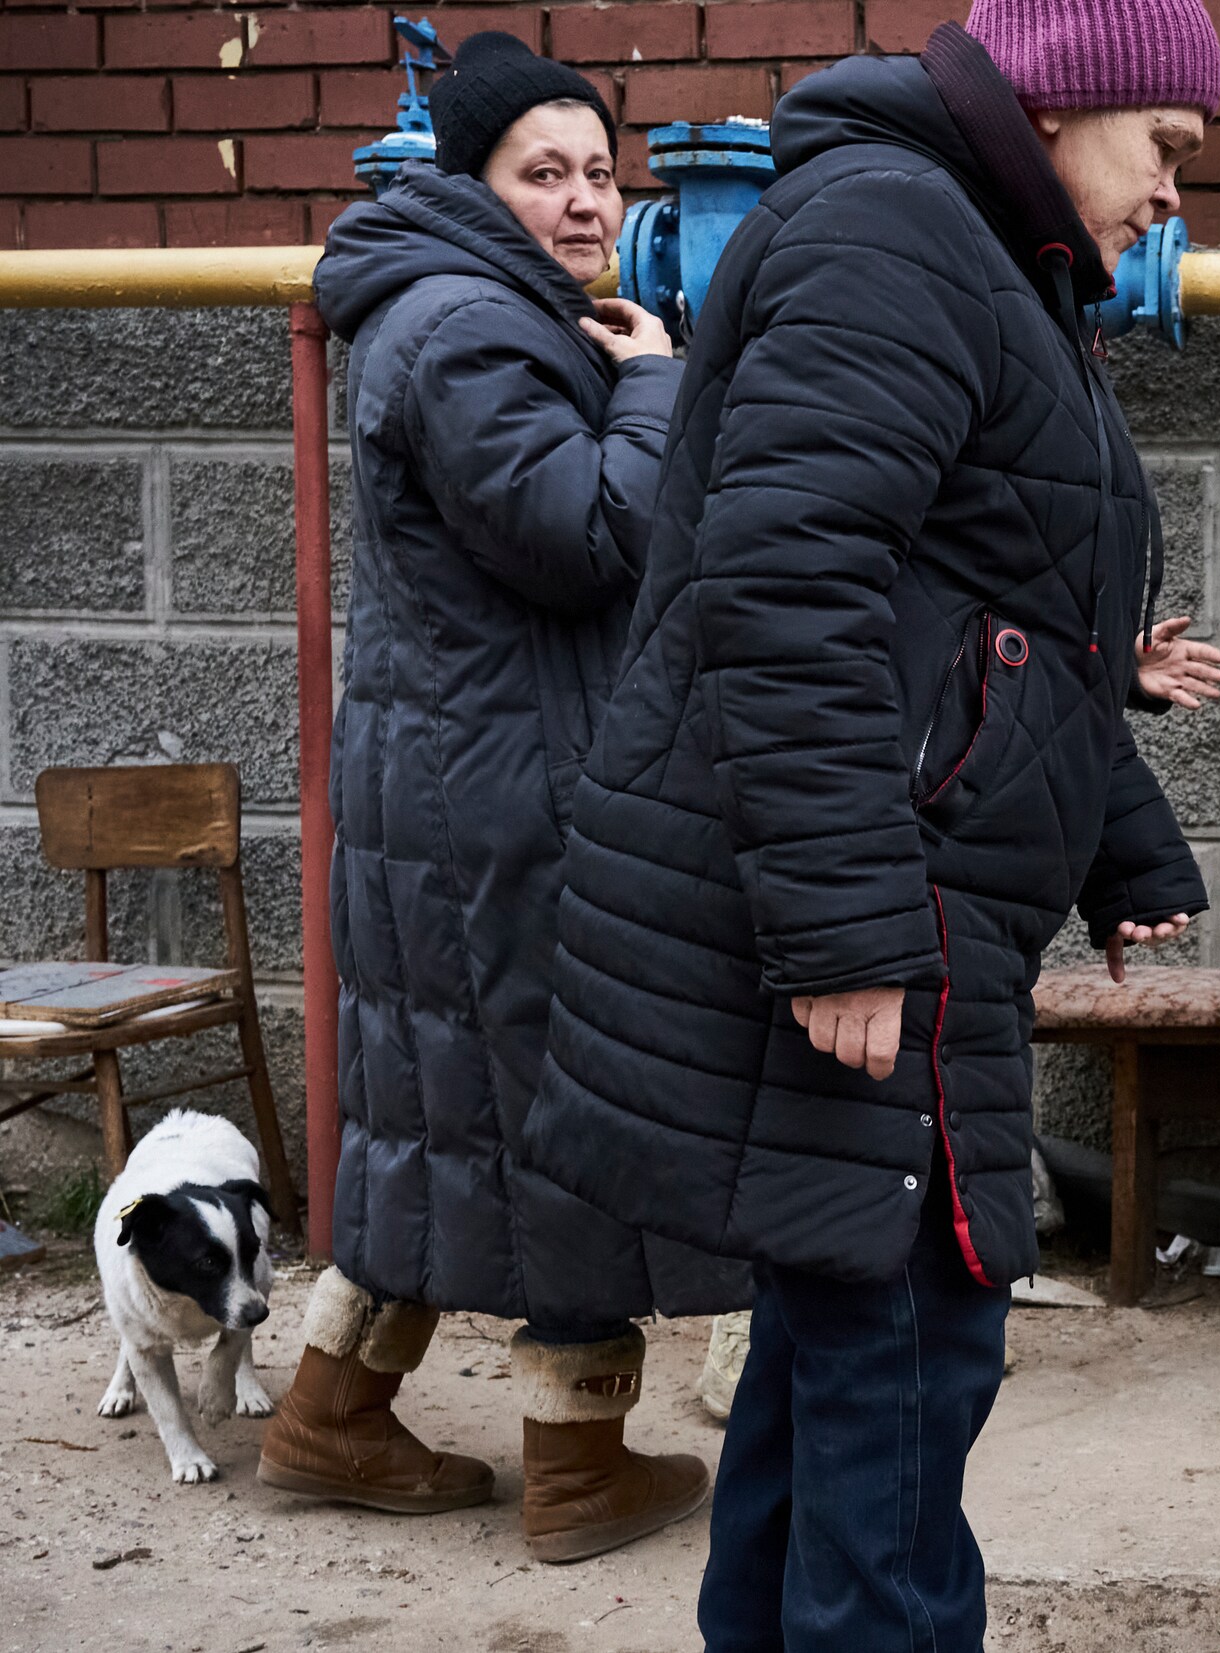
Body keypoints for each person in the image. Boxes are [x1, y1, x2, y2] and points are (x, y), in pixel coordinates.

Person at [522, 3, 1218, 1644]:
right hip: (878, 939)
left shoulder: (983, 253)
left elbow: (1012, 618)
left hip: (921, 921)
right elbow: (788, 587)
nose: (1177, 196)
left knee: (849, 1362)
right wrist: (844, 926)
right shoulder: (898, 234)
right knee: (901, 1377)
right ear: (1065, 98)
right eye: (1166, 148)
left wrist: (1126, 847)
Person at [257, 31, 742, 1564]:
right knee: (567, 1108)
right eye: (548, 174)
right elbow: (589, 533)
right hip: (505, 789)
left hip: (463, 773)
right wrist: (660, 388)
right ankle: (580, 1465)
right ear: (474, 183)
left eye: (601, 171)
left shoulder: (460, 308)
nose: (589, 201)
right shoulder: (472, 327)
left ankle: (328, 1415)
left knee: (451, 1114)